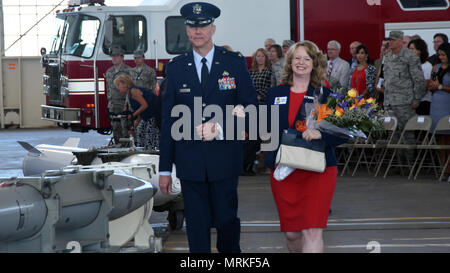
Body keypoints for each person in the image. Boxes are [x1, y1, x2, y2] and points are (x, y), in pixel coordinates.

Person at [158, 2, 258, 253]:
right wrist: (165, 169)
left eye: (203, 25)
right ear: (187, 30)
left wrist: (221, 127)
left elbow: (251, 109)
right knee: (196, 225)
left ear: (213, 28)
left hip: (225, 158)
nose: (197, 30)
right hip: (189, 161)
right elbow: (169, 121)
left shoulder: (234, 64)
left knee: (226, 222)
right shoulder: (176, 67)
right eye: (192, 26)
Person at [265, 41, 347, 253]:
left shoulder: (325, 95)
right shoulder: (274, 94)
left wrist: (322, 133)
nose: (301, 62)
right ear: (290, 62)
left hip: (318, 170)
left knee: (312, 231)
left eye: (306, 59)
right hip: (284, 170)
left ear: (315, 63)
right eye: (297, 58)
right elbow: (265, 130)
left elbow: (344, 130)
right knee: (292, 234)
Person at [383, 30, 426, 161]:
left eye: (393, 39)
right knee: (393, 134)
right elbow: (387, 80)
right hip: (390, 102)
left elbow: (419, 80)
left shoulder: (410, 56)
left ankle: (410, 163)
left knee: (407, 133)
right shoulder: (388, 56)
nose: (390, 42)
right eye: (389, 39)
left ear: (401, 41)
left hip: (405, 102)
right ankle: (398, 164)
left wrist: (416, 99)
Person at [115, 74, 160, 150]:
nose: (117, 88)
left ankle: (150, 151)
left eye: (118, 85)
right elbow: (140, 111)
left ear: (124, 84)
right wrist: (133, 126)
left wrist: (132, 115)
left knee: (149, 134)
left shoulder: (133, 91)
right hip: (146, 116)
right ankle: (142, 149)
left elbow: (144, 105)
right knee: (139, 130)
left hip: (154, 114)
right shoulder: (129, 94)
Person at [428, 42, 450, 177]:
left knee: (448, 138)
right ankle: (443, 168)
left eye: (444, 55)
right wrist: (431, 86)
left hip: (447, 105)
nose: (441, 57)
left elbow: (440, 86)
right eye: (439, 55)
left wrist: (441, 87)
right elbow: (431, 85)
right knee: (439, 139)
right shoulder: (435, 67)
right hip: (436, 104)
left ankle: (449, 169)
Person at [105, 46, 132, 145]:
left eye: (117, 56)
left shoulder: (129, 71)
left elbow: (130, 90)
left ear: (122, 57)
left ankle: (127, 151)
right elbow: (109, 89)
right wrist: (109, 105)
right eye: (113, 56)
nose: (114, 58)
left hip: (124, 106)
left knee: (125, 132)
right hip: (113, 106)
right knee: (116, 132)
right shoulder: (109, 72)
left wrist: (128, 106)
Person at [408, 38, 433, 115]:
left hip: (422, 102)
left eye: (412, 49)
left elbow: (424, 86)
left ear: (420, 51)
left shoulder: (426, 66)